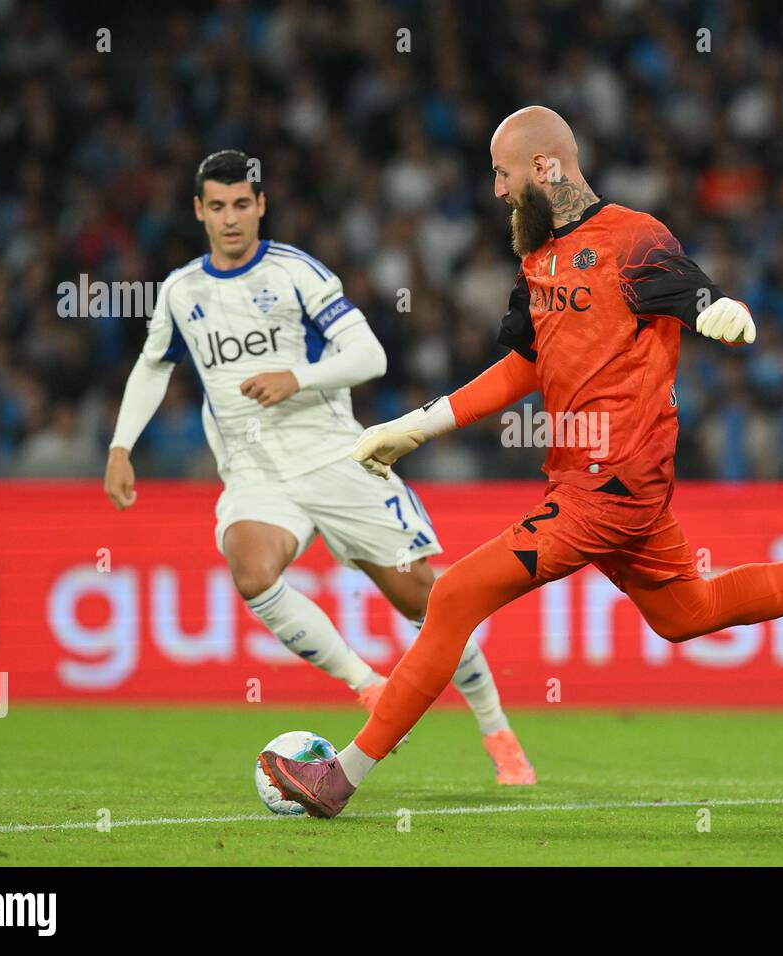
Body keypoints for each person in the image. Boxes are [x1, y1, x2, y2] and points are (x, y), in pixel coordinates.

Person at [257, 109, 783, 817]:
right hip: (596, 483)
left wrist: (715, 311)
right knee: (687, 612)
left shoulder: (634, 239)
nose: (497, 190)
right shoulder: (539, 258)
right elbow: (522, 366)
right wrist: (415, 427)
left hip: (611, 482)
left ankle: (339, 779)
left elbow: (693, 291)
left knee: (451, 599)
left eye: (503, 173)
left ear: (544, 167)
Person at [106, 149, 536, 785]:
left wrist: (296, 377)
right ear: (199, 210)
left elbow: (369, 357)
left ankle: (497, 729)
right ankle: (368, 685)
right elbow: (152, 365)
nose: (230, 218)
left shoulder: (298, 275)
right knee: (252, 571)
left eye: (242, 205)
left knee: (428, 600)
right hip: (255, 472)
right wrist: (120, 446)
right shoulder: (180, 291)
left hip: (337, 456)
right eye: (217, 206)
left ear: (260, 206)